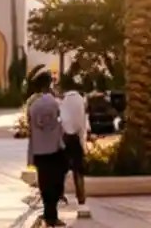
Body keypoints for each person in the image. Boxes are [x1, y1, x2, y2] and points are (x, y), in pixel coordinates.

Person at [26, 67, 67, 227]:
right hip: (54, 149)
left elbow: (30, 124)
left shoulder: (32, 104)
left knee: (45, 183)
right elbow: (61, 121)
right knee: (56, 182)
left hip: (38, 149)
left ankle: (49, 214)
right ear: (48, 84)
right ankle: (52, 215)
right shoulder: (54, 102)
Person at [60, 81, 91, 219]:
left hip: (65, 139)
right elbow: (82, 124)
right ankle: (81, 198)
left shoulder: (65, 101)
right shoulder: (80, 100)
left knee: (61, 170)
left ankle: (60, 195)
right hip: (76, 140)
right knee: (78, 171)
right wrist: (83, 143)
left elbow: (61, 121)